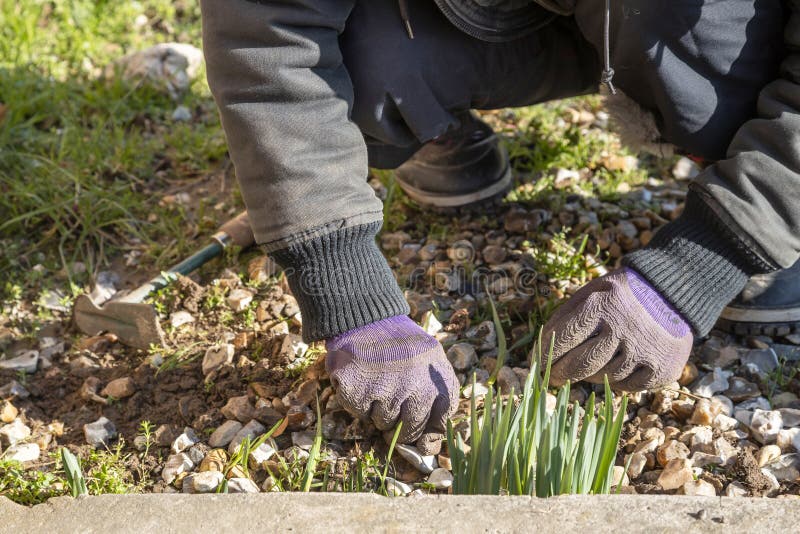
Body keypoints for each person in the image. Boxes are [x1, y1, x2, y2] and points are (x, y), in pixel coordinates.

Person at [198, 0, 800, 454]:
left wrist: (708, 256)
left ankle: (760, 205)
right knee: (367, 60)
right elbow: (267, 35)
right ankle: (431, 122)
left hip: (679, 23)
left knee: (718, 66)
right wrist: (343, 284)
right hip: (489, 19)